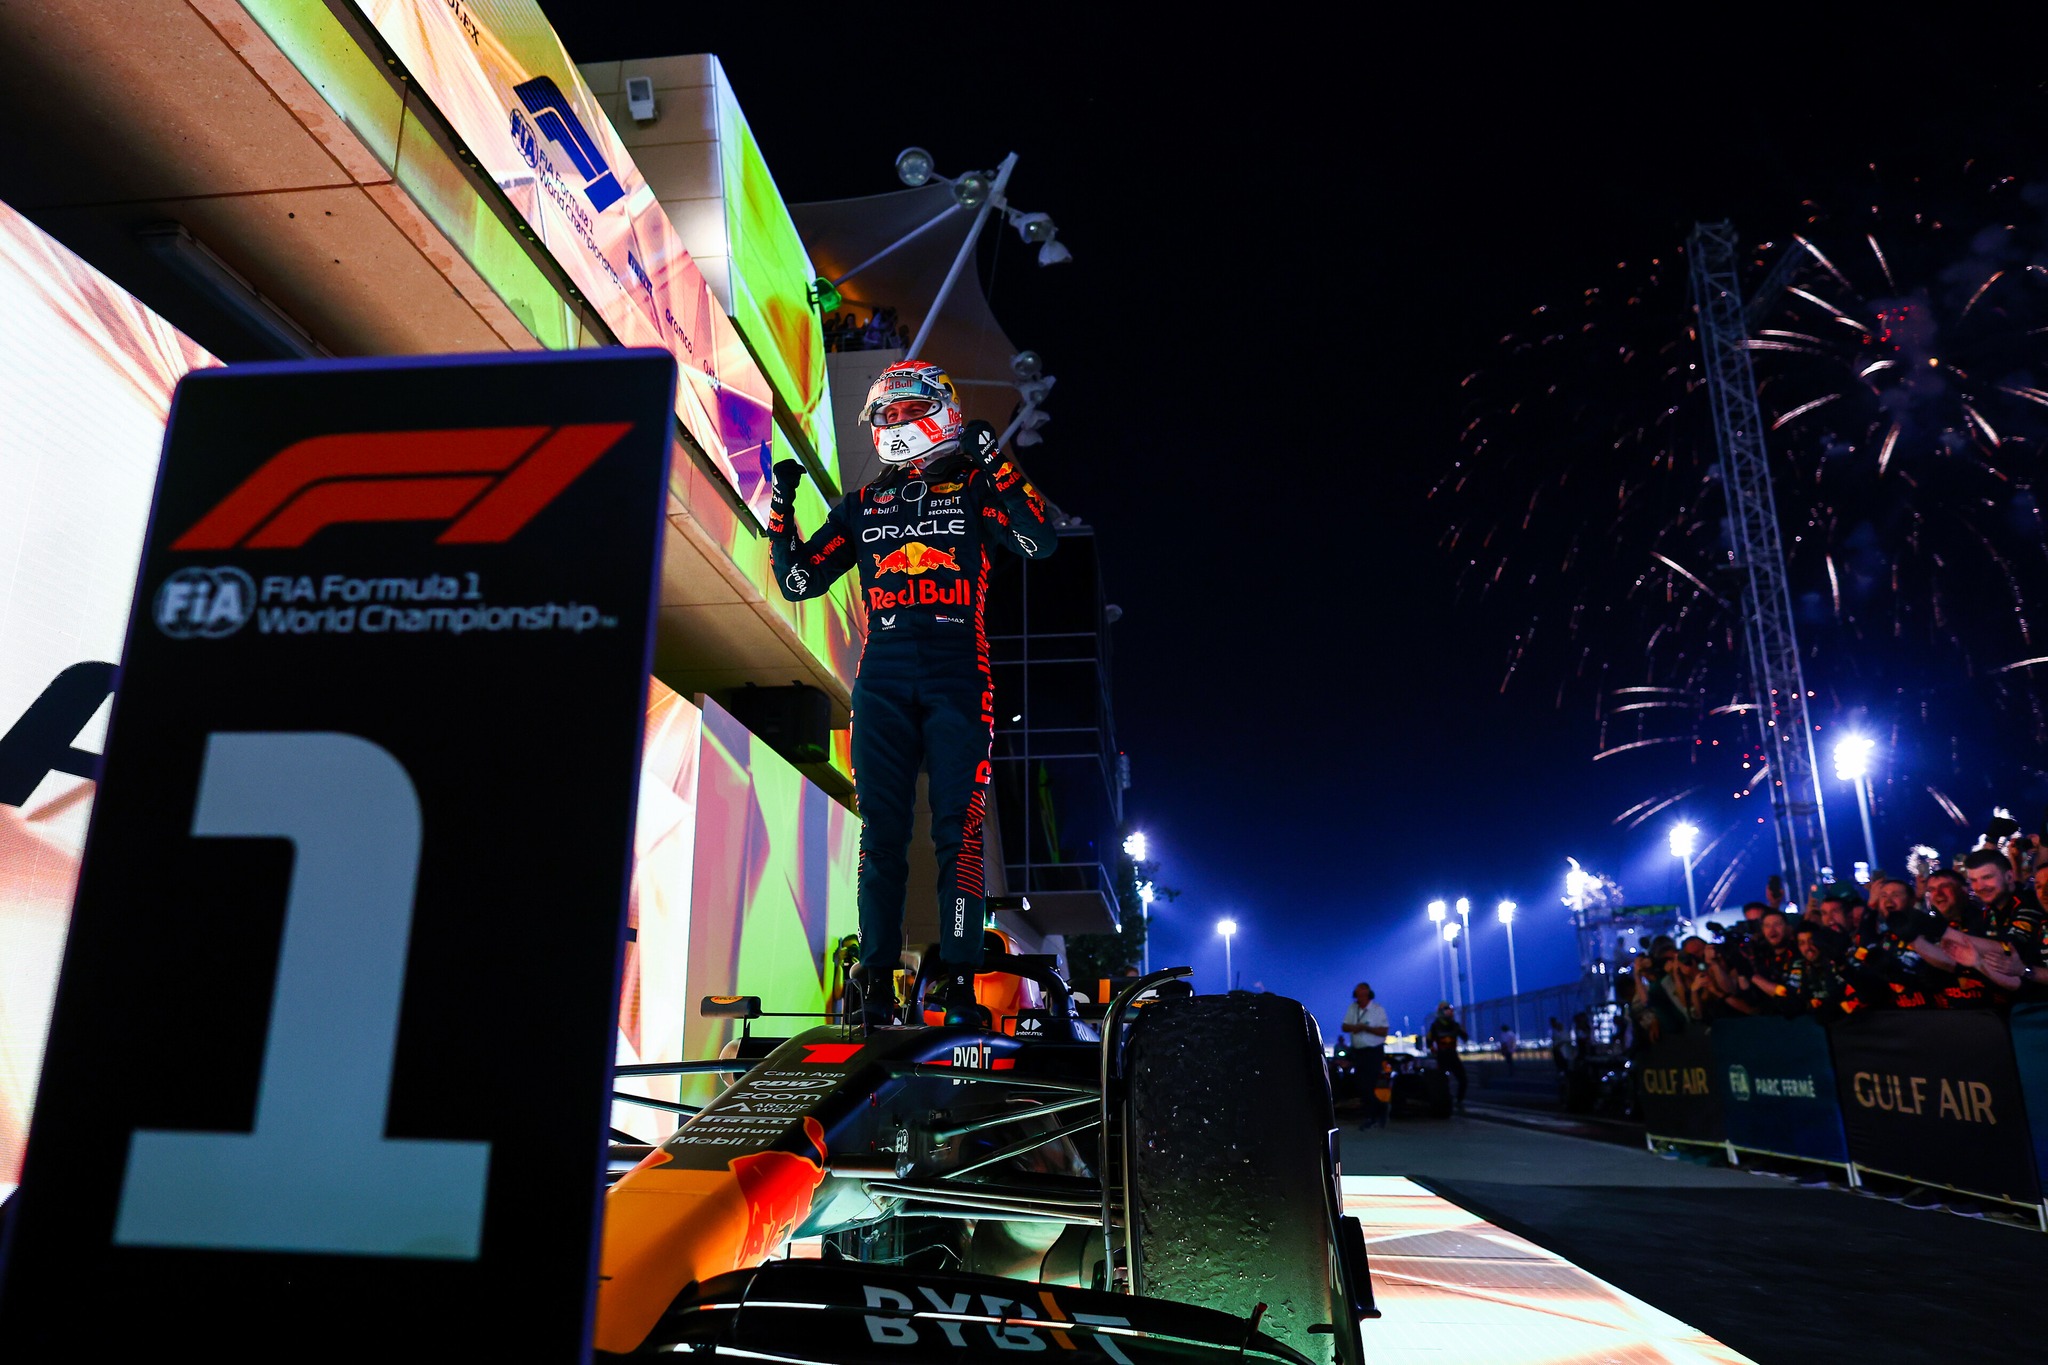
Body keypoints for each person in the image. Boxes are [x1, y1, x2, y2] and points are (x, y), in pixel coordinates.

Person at [769, 359, 1055, 1027]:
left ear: (941, 410)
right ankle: (874, 978)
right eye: (885, 415)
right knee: (882, 834)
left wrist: (999, 467)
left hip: (961, 671)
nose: (893, 424)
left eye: (904, 411)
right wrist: (781, 508)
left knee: (961, 830)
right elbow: (800, 582)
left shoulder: (977, 487)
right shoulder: (865, 503)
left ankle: (958, 978)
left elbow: (1037, 542)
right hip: (884, 679)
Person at [1342, 983, 1390, 1130]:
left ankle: (1372, 1116)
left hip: (1373, 1052)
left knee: (1367, 1084)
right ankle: (1380, 1110)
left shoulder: (1377, 1010)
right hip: (1358, 1051)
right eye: (1357, 993)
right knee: (1360, 1084)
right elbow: (1344, 1026)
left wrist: (1366, 1028)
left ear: (1368, 994)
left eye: (1361, 992)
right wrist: (1355, 1028)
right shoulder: (1353, 1008)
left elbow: (1383, 1031)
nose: (1358, 996)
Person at [1425, 1002, 1469, 1110]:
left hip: (1453, 1055)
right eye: (1446, 1009)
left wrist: (1463, 1031)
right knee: (1442, 1080)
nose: (1450, 1011)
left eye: (1450, 1009)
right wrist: (1433, 1051)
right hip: (1442, 1056)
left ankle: (1459, 1100)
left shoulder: (1455, 1025)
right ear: (1441, 1011)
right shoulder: (1435, 1026)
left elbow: (1465, 1037)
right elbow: (1429, 1041)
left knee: (1463, 1079)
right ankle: (1443, 1101)